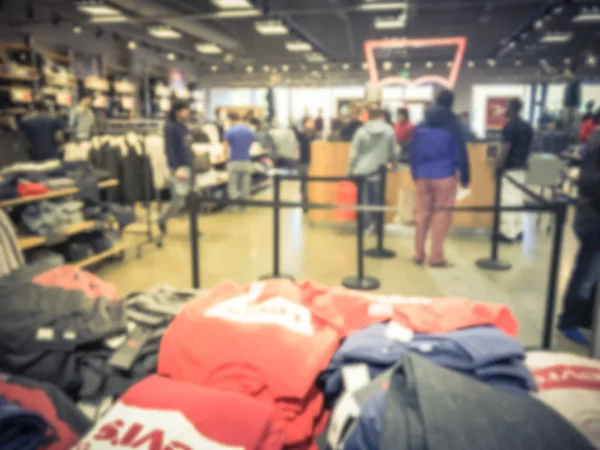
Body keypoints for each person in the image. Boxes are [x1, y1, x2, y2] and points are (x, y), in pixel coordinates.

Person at [410, 89, 470, 267]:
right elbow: (462, 153)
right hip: (445, 175)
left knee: (422, 215)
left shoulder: (421, 124)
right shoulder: (453, 125)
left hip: (422, 175)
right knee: (441, 216)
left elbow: (413, 151)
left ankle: (418, 254)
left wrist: (415, 172)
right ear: (451, 103)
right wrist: (465, 176)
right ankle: (436, 257)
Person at [558, 115, 600, 345]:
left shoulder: (594, 139)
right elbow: (591, 181)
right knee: (587, 273)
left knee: (589, 273)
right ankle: (570, 321)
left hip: (588, 213)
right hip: (593, 217)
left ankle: (583, 319)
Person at [347, 109, 397, 234]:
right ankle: (377, 226)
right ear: (381, 116)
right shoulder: (389, 130)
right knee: (378, 200)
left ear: (369, 117)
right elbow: (394, 151)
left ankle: (365, 227)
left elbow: (354, 154)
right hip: (380, 170)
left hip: (362, 170)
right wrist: (394, 164)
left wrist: (349, 170)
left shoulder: (361, 131)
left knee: (364, 200)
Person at [497, 98, 534, 242]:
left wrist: (498, 165)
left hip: (510, 166)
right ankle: (519, 230)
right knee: (518, 198)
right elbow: (530, 147)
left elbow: (505, 147)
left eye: (506, 106)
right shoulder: (527, 126)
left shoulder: (510, 126)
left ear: (511, 108)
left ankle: (508, 233)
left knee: (508, 199)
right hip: (522, 165)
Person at [158, 101, 191, 235]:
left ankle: (193, 229)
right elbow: (169, 148)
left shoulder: (183, 126)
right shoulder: (170, 126)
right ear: (178, 111)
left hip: (189, 166)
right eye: (185, 110)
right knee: (178, 200)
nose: (187, 112)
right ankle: (162, 219)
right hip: (179, 168)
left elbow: (186, 144)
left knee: (192, 199)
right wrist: (175, 168)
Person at [224, 112, 255, 211]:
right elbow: (251, 145)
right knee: (245, 184)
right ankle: (244, 206)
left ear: (231, 120)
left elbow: (225, 146)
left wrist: (226, 159)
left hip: (234, 160)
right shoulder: (249, 131)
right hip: (246, 160)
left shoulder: (230, 131)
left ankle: (234, 206)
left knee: (233, 184)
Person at [293, 118, 315, 207]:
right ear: (304, 124)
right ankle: (304, 199)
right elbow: (294, 129)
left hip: (312, 161)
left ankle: (306, 199)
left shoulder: (313, 135)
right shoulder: (301, 135)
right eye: (309, 122)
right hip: (303, 161)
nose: (311, 124)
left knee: (307, 182)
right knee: (304, 182)